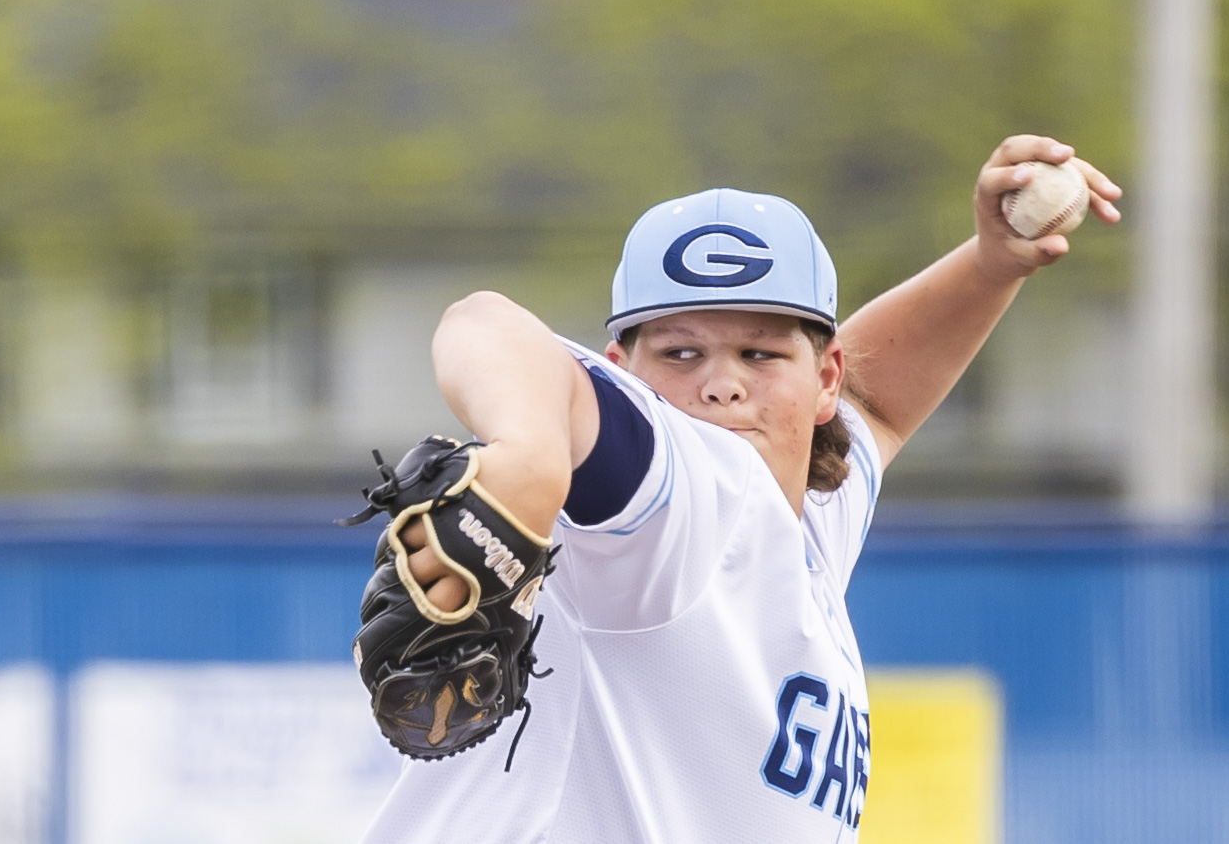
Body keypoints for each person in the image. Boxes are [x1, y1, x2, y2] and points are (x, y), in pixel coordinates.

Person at [358, 136, 1121, 844]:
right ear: (622, 371)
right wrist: (528, 457)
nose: (719, 385)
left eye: (759, 353)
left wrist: (991, 264)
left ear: (826, 380)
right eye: (680, 352)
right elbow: (485, 324)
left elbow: (881, 403)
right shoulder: (683, 491)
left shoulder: (808, 514)